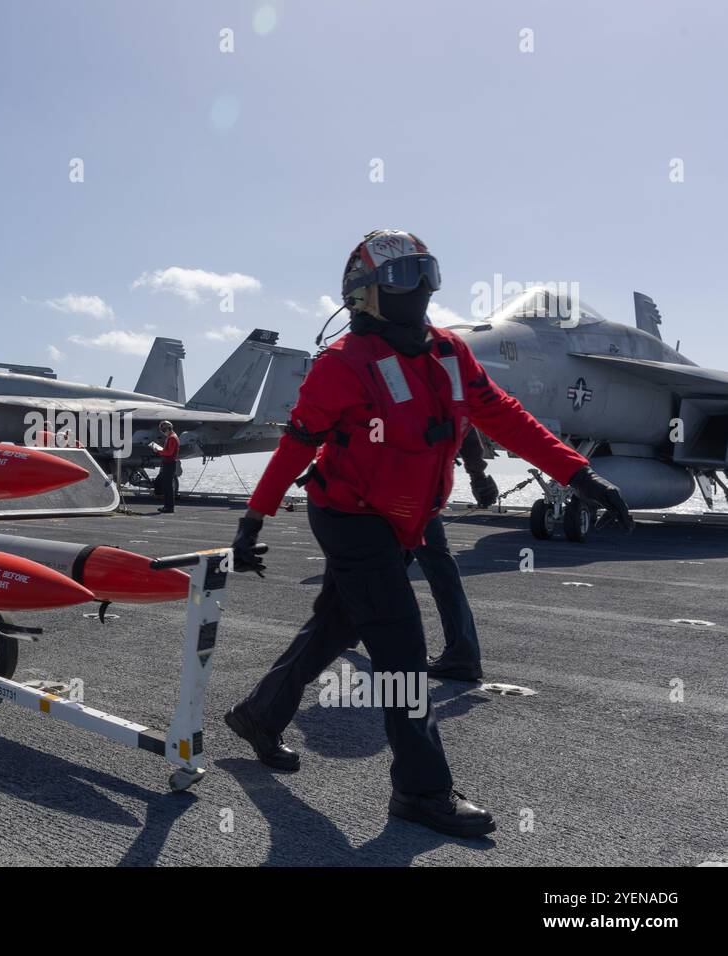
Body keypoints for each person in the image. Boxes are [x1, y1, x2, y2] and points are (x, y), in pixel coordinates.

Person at [224, 229, 634, 838]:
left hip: (408, 521)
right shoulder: (341, 367)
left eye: (425, 273)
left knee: (337, 624)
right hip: (351, 518)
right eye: (400, 278)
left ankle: (259, 716)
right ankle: (422, 791)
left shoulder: (448, 353)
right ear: (363, 296)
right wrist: (252, 519)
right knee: (402, 654)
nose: (418, 289)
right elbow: (296, 447)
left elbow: (505, 417)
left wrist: (580, 474)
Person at [410, 429, 497, 681]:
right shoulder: (447, 388)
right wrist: (478, 476)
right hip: (426, 490)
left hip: (397, 492)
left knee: (365, 561)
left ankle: (347, 629)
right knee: (439, 568)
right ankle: (463, 654)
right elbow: (467, 429)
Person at [151, 420, 179, 513]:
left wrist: (158, 451)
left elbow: (169, 452)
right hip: (168, 463)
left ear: (167, 429)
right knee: (166, 486)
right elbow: (168, 451)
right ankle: (167, 506)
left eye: (163, 430)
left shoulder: (172, 438)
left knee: (168, 487)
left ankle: (169, 507)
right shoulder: (172, 437)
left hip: (169, 464)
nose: (163, 432)